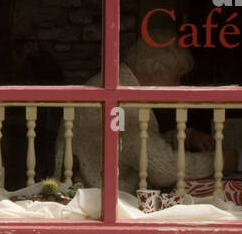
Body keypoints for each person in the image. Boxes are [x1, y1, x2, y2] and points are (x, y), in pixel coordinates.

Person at [62, 38, 232, 193]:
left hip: (90, 190)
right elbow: (164, 168)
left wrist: (184, 136)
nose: (179, 86)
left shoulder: (117, 81)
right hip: (105, 201)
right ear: (156, 72)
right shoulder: (124, 99)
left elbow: (130, 145)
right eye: (176, 78)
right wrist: (218, 161)